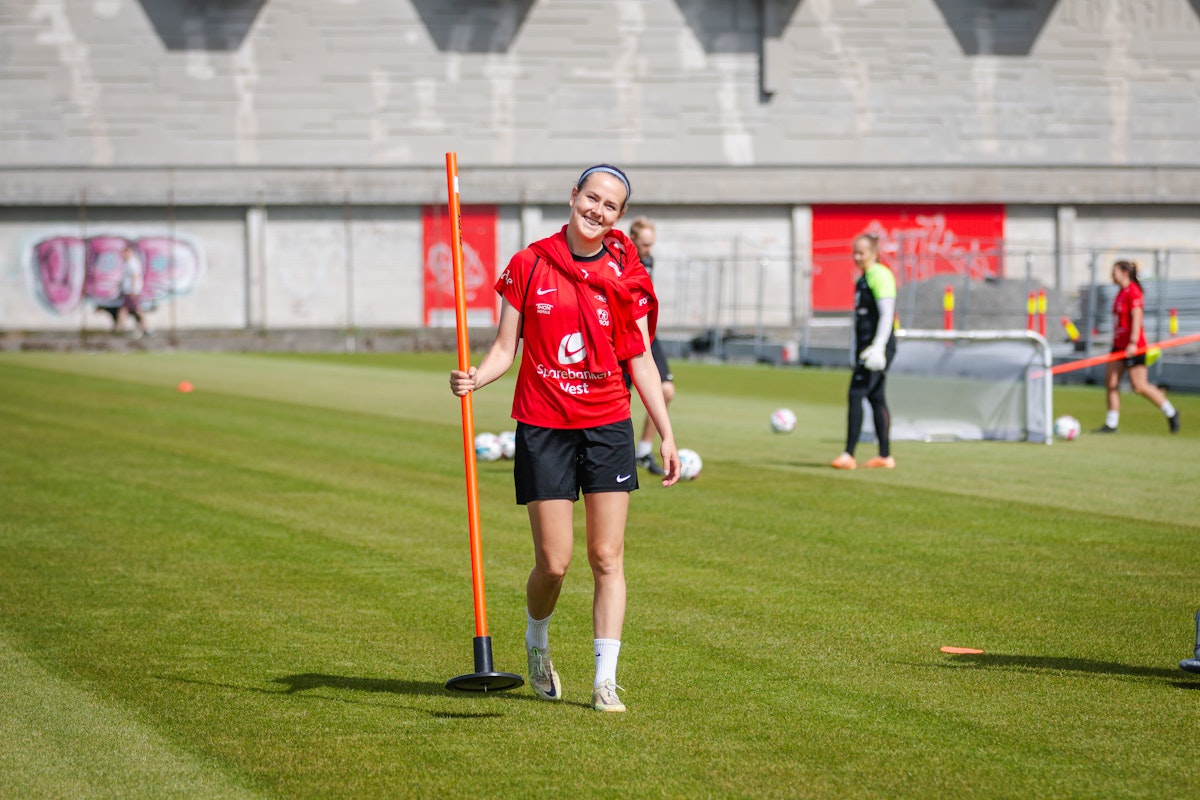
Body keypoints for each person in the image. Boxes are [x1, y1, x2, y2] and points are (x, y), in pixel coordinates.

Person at [450, 164, 680, 713]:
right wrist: (474, 378)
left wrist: (666, 435)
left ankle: (605, 680)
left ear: (619, 216)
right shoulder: (529, 264)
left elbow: (641, 360)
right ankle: (536, 641)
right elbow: (507, 348)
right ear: (573, 196)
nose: (597, 211)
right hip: (543, 426)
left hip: (606, 425)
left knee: (607, 556)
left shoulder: (629, 274)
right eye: (591, 198)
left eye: (611, 206)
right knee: (554, 563)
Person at [832, 233, 897, 470]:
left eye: (862, 253)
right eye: (855, 252)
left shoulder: (880, 275)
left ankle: (848, 454)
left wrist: (879, 347)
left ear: (874, 253)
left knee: (856, 394)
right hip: (865, 349)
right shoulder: (862, 279)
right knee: (876, 397)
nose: (857, 257)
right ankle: (885, 456)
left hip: (878, 347)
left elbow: (887, 314)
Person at [1094, 260, 1179, 434]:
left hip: (1134, 346)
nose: (1112, 275)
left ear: (1125, 272)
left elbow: (1137, 318)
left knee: (1139, 386)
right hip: (1118, 346)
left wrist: (1133, 342)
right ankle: (1111, 424)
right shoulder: (1120, 292)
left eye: (1115, 271)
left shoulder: (1133, 291)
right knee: (1111, 383)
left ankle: (1171, 412)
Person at [626, 217, 675, 477]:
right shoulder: (618, 259)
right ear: (632, 239)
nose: (648, 250)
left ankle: (643, 451)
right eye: (644, 244)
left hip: (647, 335)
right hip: (623, 336)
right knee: (617, 397)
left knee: (666, 391)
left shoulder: (649, 260)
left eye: (651, 245)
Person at [116, 245, 151, 339]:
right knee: (129, 310)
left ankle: (119, 329)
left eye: (125, 253)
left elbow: (134, 276)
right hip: (128, 291)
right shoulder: (127, 263)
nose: (123, 255)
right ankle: (146, 329)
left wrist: (133, 290)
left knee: (133, 310)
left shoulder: (132, 263)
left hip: (131, 292)